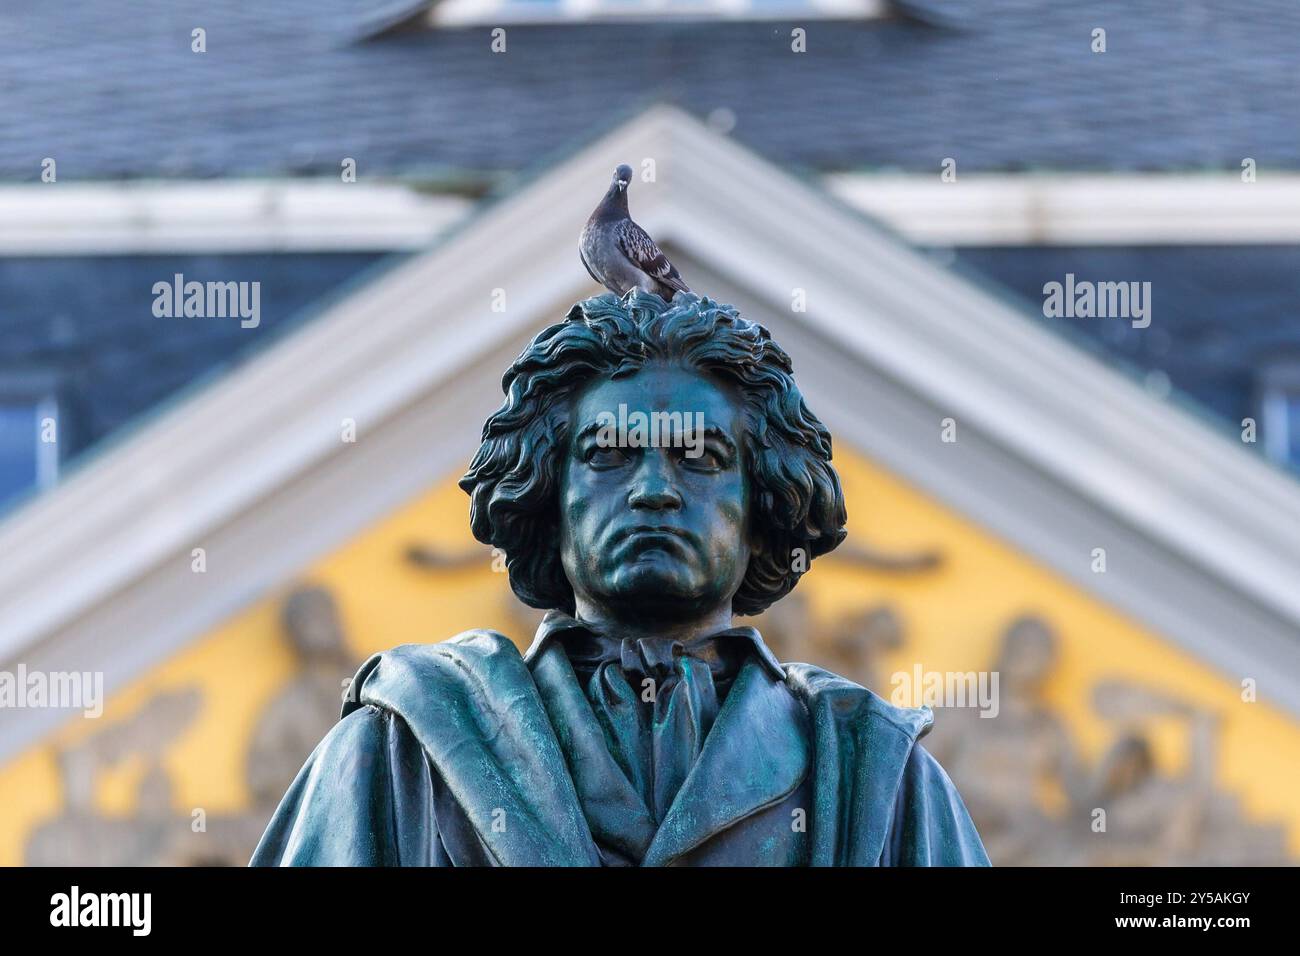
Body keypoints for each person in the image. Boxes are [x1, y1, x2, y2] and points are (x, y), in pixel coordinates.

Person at [251, 291, 988, 866]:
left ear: (763, 503)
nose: (654, 490)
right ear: (547, 496)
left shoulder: (878, 777)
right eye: (609, 455)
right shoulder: (401, 755)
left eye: (699, 458)